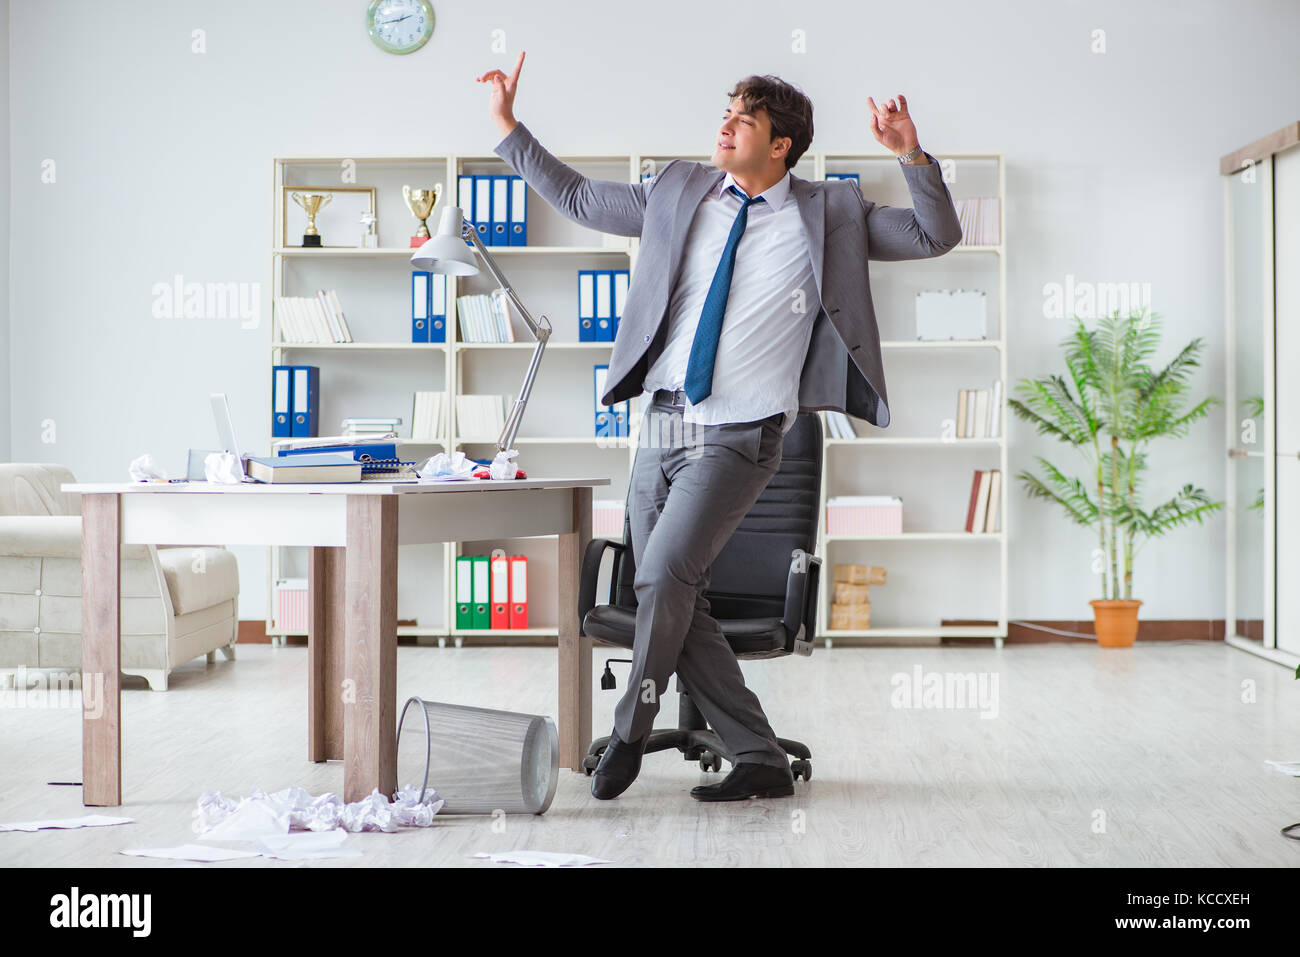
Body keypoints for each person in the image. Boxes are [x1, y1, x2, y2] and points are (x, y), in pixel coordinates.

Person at [477, 51, 962, 801]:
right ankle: (759, 754)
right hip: (661, 423)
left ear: (781, 146)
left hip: (741, 435)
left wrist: (911, 155)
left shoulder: (832, 213)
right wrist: (508, 127)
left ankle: (632, 729)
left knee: (665, 573)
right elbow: (575, 195)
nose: (726, 123)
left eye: (746, 118)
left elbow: (935, 236)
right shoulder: (677, 189)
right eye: (726, 110)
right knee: (671, 588)